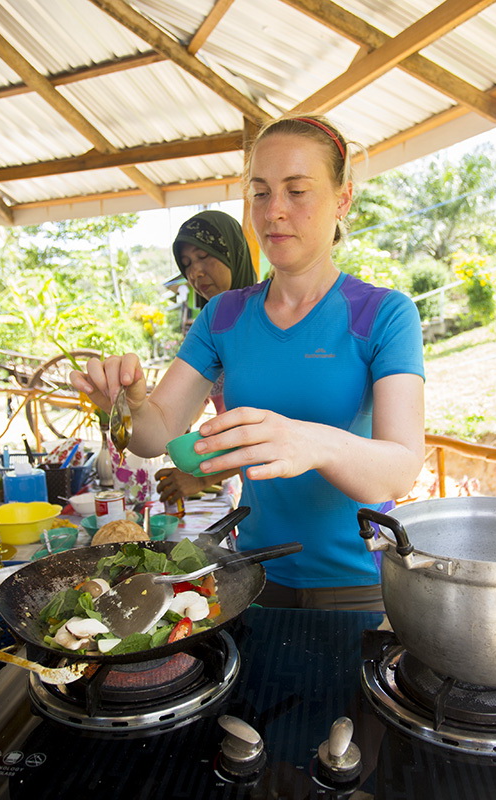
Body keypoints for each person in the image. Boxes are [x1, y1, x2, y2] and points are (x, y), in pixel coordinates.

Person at [72, 114, 425, 611]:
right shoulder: (224, 315)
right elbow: (155, 436)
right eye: (261, 193)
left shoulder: (384, 313)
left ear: (342, 198)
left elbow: (401, 469)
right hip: (255, 577)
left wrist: (310, 440)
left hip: (360, 584)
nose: (274, 211)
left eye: (297, 191)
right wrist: (124, 405)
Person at [155, 210, 255, 506]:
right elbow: (193, 402)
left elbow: (280, 426)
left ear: (232, 253)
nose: (195, 273)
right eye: (186, 264)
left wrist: (204, 477)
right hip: (256, 492)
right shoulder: (210, 327)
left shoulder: (267, 321)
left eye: (204, 256)